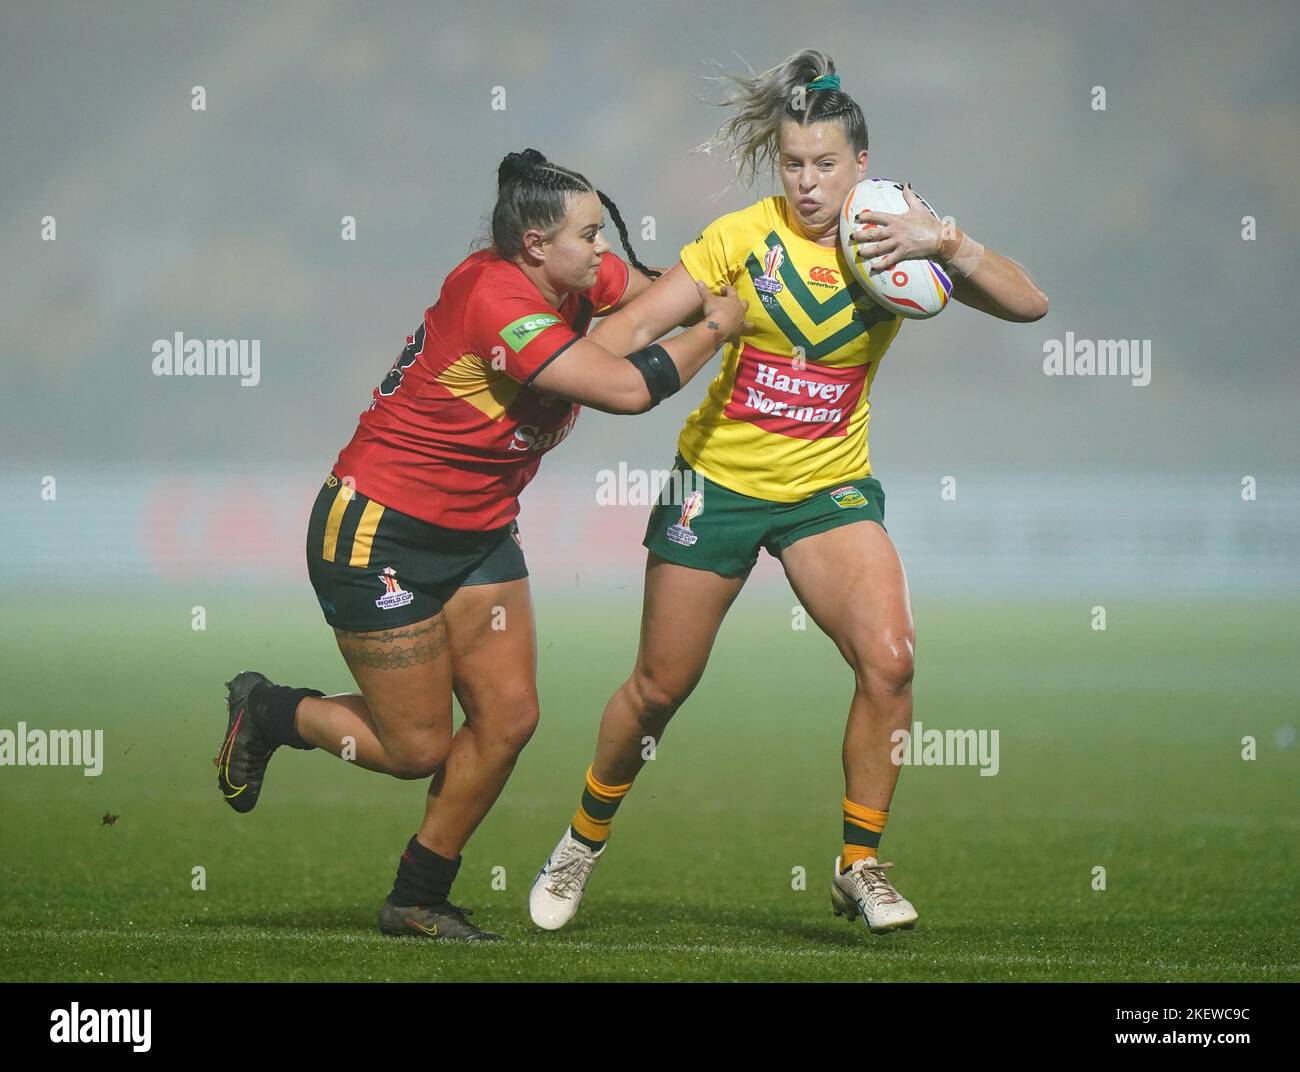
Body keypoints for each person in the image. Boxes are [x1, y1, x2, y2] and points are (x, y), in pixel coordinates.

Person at [529, 50, 1048, 935]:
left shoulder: (898, 234)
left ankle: (859, 864)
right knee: (659, 688)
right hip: (717, 488)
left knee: (892, 660)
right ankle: (581, 840)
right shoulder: (739, 238)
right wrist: (546, 367)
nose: (807, 182)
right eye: (793, 164)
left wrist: (949, 243)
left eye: (826, 165)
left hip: (827, 492)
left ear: (862, 167)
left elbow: (1030, 305)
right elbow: (634, 329)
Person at [213, 148, 748, 941]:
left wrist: (762, 266)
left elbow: (663, 289)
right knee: (414, 749)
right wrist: (719, 331)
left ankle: (418, 896)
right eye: (590, 235)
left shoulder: (574, 275)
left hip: (478, 532)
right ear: (536, 244)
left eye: (603, 234)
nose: (605, 251)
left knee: (509, 717)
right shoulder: (496, 299)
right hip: (377, 529)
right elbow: (628, 389)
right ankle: (267, 710)